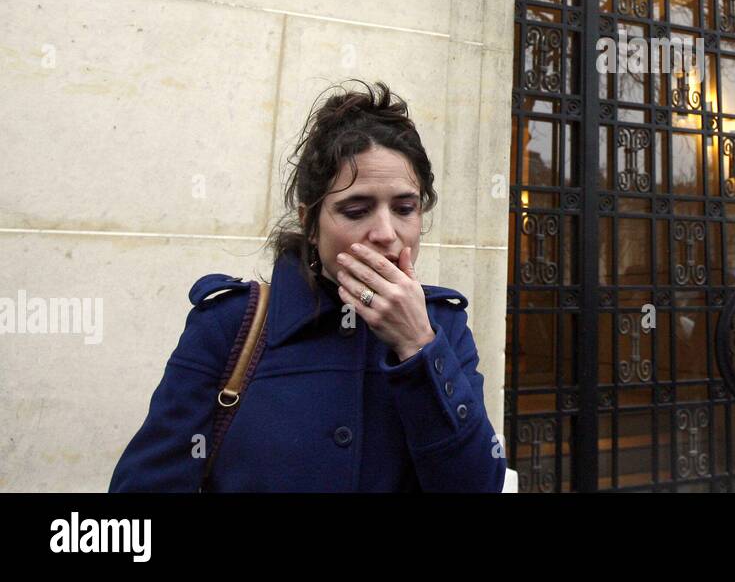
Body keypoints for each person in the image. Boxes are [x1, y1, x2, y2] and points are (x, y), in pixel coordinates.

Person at [108, 80, 506, 492]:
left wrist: (419, 349)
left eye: (405, 208)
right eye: (356, 210)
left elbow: (477, 483)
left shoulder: (443, 327)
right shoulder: (228, 326)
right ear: (309, 223)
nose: (386, 233)